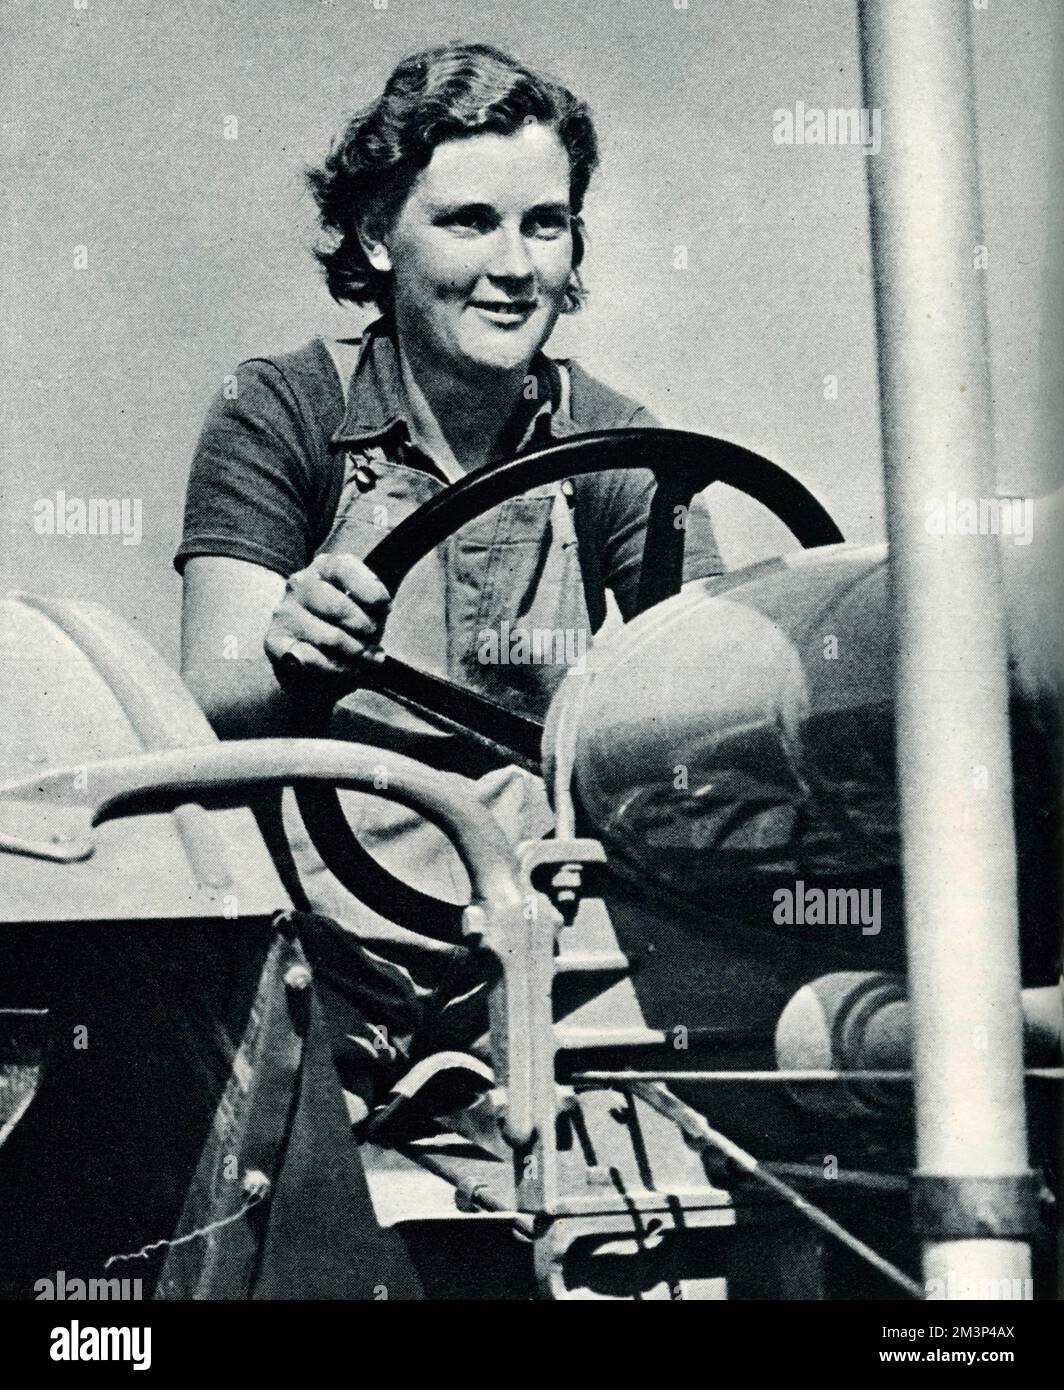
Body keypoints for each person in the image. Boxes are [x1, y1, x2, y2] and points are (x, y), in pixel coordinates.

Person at [177, 41, 724, 1127]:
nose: (515, 265)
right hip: (323, 956)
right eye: (469, 221)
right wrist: (288, 644)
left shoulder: (612, 440)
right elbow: (212, 689)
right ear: (377, 237)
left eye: (544, 223)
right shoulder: (282, 408)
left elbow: (704, 687)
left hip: (538, 951)